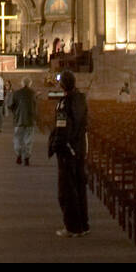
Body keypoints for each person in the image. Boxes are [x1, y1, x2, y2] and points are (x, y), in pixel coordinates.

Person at [49, 70, 89, 237]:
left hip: (68, 149)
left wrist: (57, 145)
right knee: (80, 186)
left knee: (67, 189)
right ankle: (84, 224)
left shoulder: (65, 103)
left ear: (62, 85)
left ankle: (72, 227)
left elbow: (62, 127)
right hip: (80, 147)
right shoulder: (81, 99)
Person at [8, 77, 37, 165]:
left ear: (22, 83)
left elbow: (10, 105)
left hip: (18, 120)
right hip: (30, 120)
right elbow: (35, 106)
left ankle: (19, 156)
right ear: (30, 84)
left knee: (18, 139)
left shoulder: (16, 93)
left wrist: (15, 112)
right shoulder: (33, 93)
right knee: (28, 139)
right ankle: (27, 158)